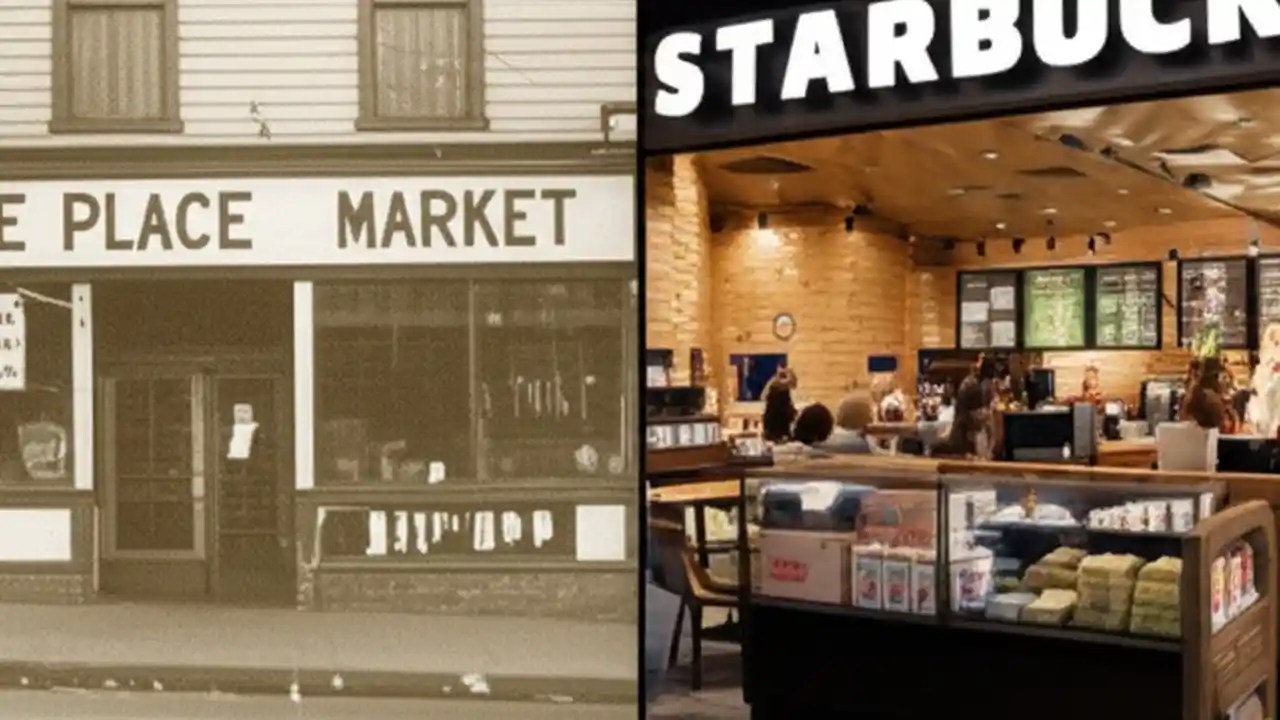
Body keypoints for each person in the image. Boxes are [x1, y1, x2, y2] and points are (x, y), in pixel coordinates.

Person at [761, 368, 798, 443]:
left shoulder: (771, 408)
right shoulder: (785, 408)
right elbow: (793, 383)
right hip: (781, 433)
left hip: (773, 434)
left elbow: (763, 396)